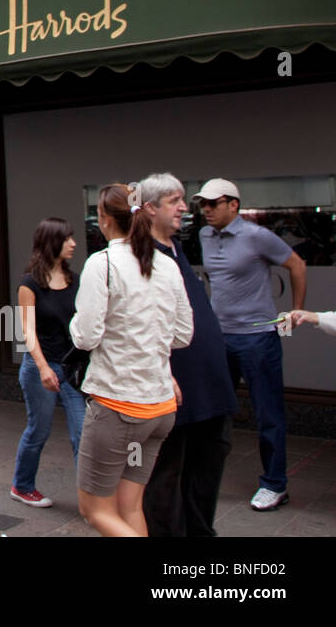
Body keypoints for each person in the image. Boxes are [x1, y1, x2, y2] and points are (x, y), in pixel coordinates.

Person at [70, 181, 193, 537]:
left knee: (95, 510)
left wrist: (76, 320)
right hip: (157, 415)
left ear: (103, 218)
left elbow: (86, 336)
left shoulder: (103, 263)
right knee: (130, 505)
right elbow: (183, 335)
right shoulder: (166, 264)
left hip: (117, 413)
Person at [195, 178, 306, 512]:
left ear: (234, 205)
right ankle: (205, 475)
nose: (207, 209)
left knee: (268, 413)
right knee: (214, 410)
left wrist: (295, 312)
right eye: (203, 204)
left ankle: (274, 485)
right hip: (220, 337)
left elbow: (296, 265)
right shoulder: (203, 235)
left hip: (258, 339)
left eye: (214, 203)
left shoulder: (257, 236)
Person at [139, 173, 237, 536]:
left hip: (210, 390)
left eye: (183, 199)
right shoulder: (143, 257)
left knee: (207, 469)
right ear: (150, 208)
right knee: (166, 480)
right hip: (173, 393)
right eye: (173, 200)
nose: (184, 207)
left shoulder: (177, 248)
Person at [11, 217, 85, 508]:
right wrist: (42, 367)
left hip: (71, 368)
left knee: (82, 433)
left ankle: (91, 499)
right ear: (51, 242)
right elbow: (27, 331)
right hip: (40, 366)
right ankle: (22, 485)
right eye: (67, 238)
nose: (73, 243)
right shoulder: (30, 284)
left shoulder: (75, 280)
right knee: (38, 430)